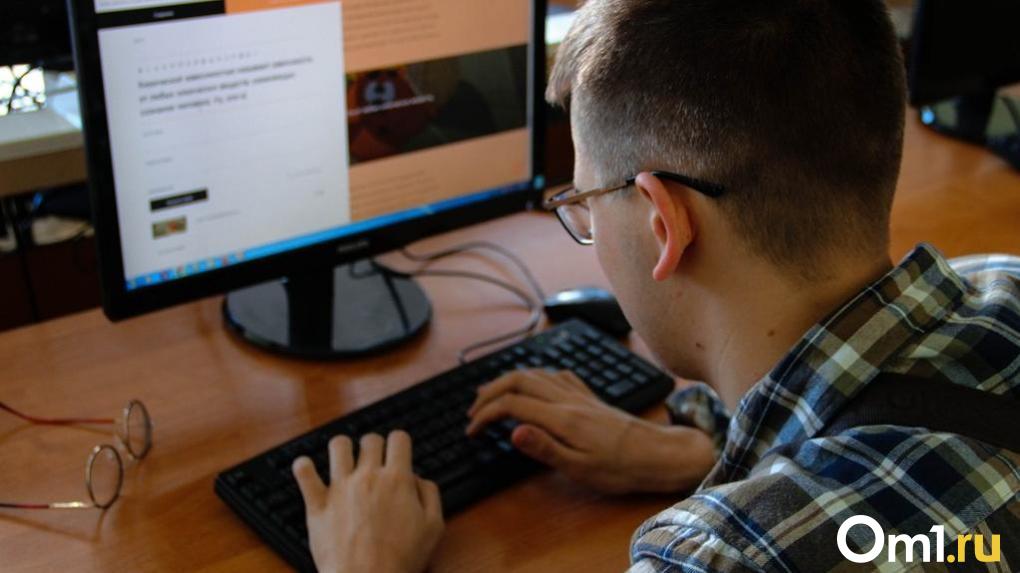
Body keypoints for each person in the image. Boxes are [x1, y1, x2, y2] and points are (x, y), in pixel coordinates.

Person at [291, 1, 1020, 571]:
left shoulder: (721, 558)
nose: (586, 226)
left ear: (663, 223)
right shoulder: (1002, 280)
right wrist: (699, 450)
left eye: (585, 201)